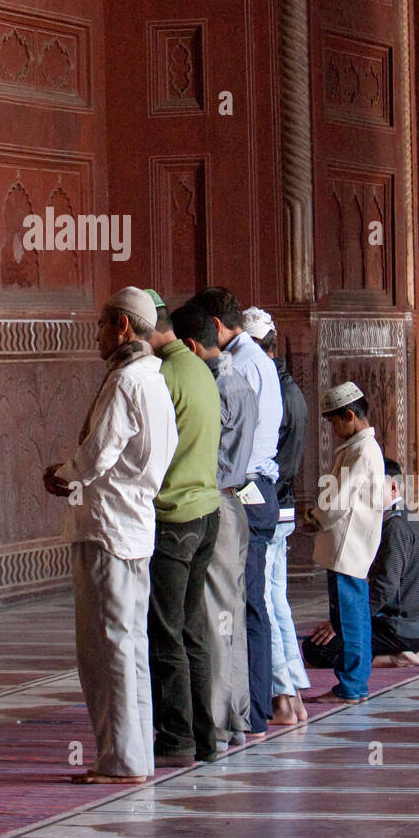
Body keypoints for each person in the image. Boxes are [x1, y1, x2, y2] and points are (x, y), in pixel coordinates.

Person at [43, 287, 177, 785]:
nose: (97, 334)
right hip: (135, 525)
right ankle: (133, 755)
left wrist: (64, 473)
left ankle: (121, 761)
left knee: (106, 647)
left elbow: (98, 453)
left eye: (102, 324)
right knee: (129, 645)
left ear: (122, 326)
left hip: (106, 529)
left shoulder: (125, 382)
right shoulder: (155, 383)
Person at [194, 287, 282, 738]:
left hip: (244, 489)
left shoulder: (239, 366)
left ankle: (249, 711)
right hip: (255, 487)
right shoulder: (255, 360)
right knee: (249, 603)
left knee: (243, 606)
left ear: (212, 325)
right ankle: (250, 710)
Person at [171, 298, 256, 748]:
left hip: (216, 504)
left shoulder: (215, 386)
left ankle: (219, 720)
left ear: (189, 345)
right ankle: (236, 713)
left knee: (215, 615)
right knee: (231, 612)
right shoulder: (237, 379)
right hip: (233, 503)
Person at [144, 290, 222, 767]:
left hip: (175, 518)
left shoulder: (162, 375)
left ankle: (176, 738)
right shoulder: (197, 366)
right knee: (192, 630)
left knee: (167, 633)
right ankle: (204, 736)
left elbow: (148, 455)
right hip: (207, 512)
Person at [242, 307, 310, 726]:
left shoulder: (273, 390)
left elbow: (272, 461)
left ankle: (283, 694)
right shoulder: (287, 386)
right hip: (280, 504)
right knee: (276, 600)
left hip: (270, 502)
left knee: (265, 602)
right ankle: (293, 689)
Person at [302, 458, 419, 670]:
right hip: (408, 627)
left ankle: (393, 658)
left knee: (317, 649)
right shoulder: (404, 516)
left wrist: (345, 620)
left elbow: (385, 587)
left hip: (399, 629)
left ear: (393, 487)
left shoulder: (396, 527)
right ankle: (400, 650)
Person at [303, 382, 384, 704]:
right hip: (352, 548)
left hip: (347, 549)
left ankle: (351, 686)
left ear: (350, 415)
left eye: (336, 422)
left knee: (349, 621)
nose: (335, 429)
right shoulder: (364, 449)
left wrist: (314, 515)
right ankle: (354, 683)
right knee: (352, 619)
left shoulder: (361, 451)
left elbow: (337, 502)